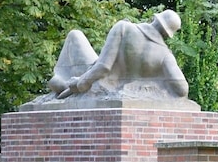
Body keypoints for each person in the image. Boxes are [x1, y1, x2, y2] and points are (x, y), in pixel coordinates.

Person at [48, 10, 188, 100]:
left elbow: (103, 66)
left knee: (75, 35)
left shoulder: (124, 28)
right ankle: (63, 85)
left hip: (96, 80)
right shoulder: (165, 56)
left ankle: (63, 84)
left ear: (156, 18)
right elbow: (182, 89)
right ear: (169, 34)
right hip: (111, 86)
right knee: (58, 83)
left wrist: (80, 83)